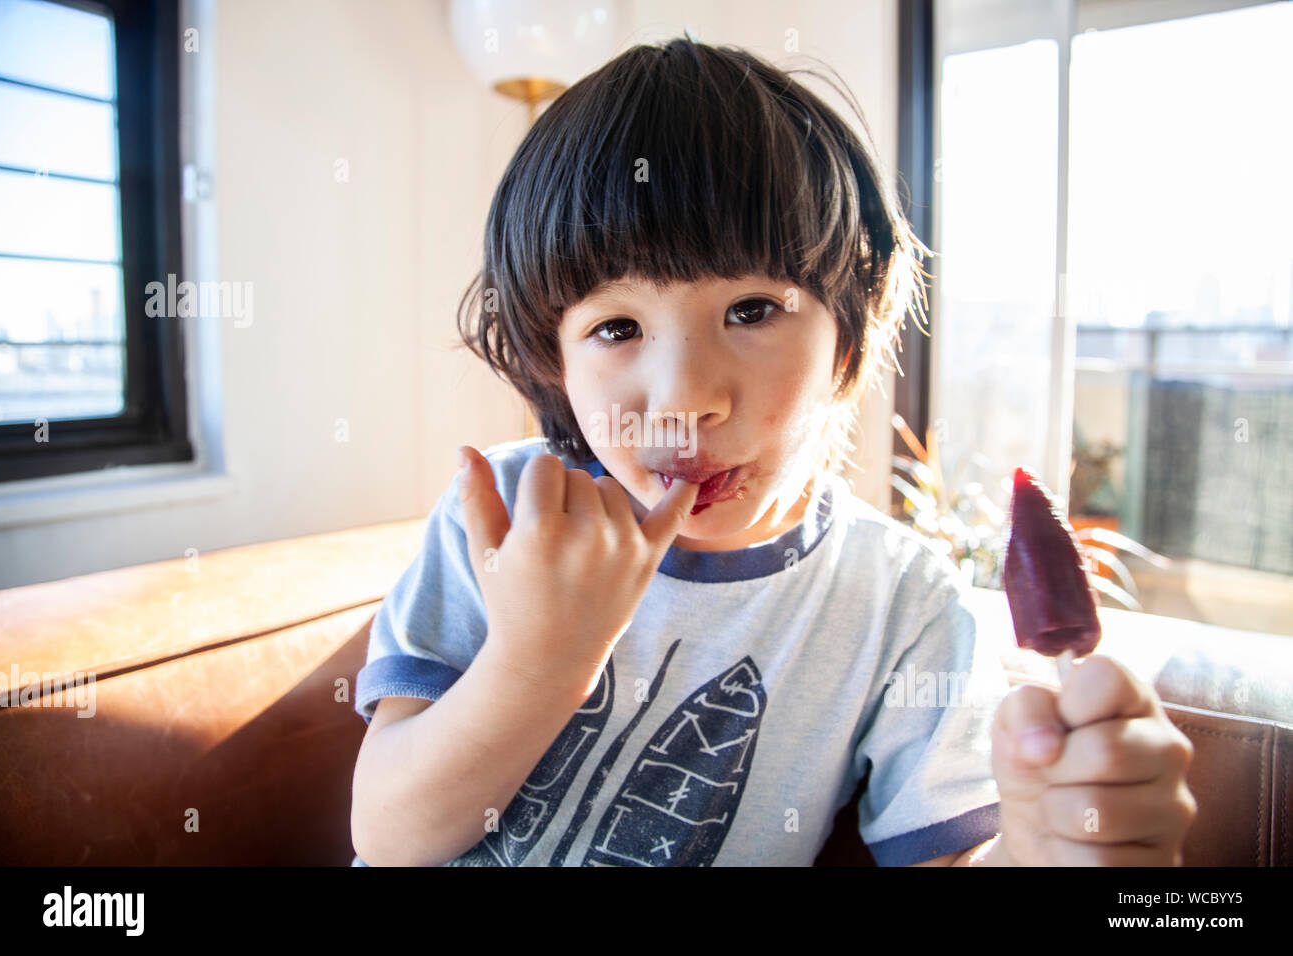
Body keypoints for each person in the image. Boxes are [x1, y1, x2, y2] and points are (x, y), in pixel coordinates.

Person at [349, 36, 1195, 867]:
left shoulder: (902, 606)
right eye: (616, 327)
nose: (684, 401)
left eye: (753, 310)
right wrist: (539, 664)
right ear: (553, 366)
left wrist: (1052, 848)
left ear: (849, 344)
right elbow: (387, 837)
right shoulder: (506, 520)